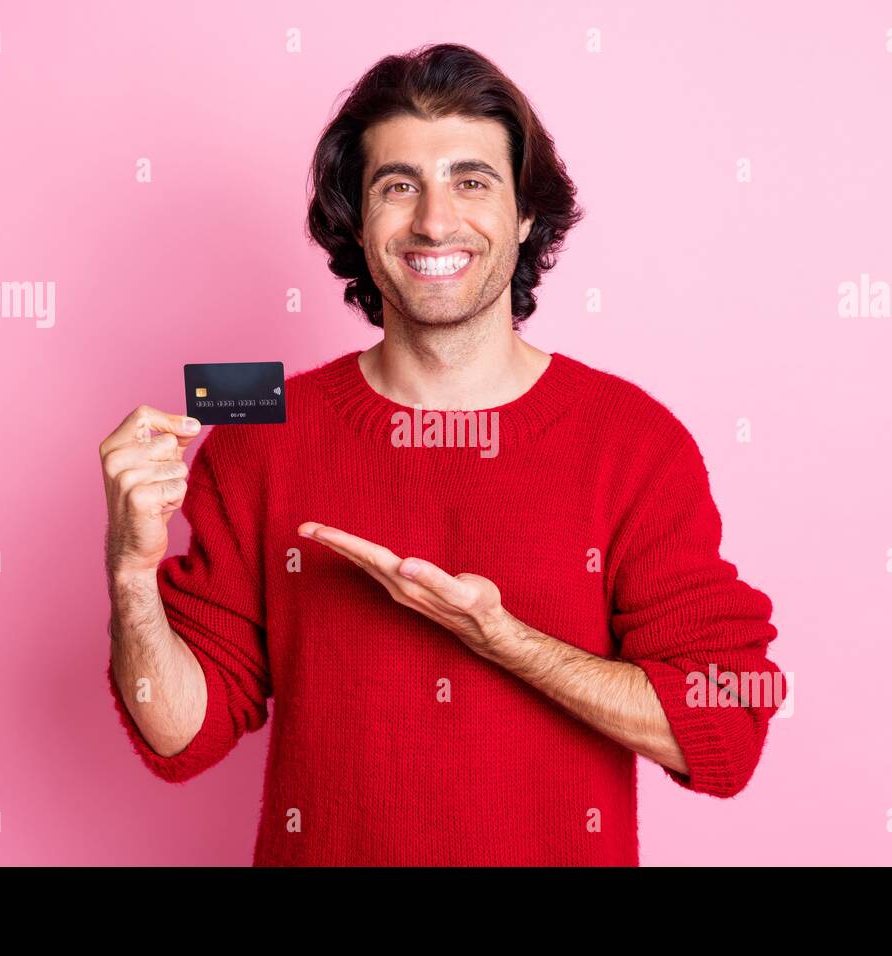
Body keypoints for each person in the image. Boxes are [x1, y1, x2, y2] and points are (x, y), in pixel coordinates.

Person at [98, 42, 785, 866]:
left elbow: (723, 725)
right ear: (357, 217)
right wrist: (133, 574)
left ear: (526, 215)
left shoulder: (631, 440)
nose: (434, 220)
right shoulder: (262, 439)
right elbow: (181, 733)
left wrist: (501, 639)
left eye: (472, 181)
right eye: (399, 186)